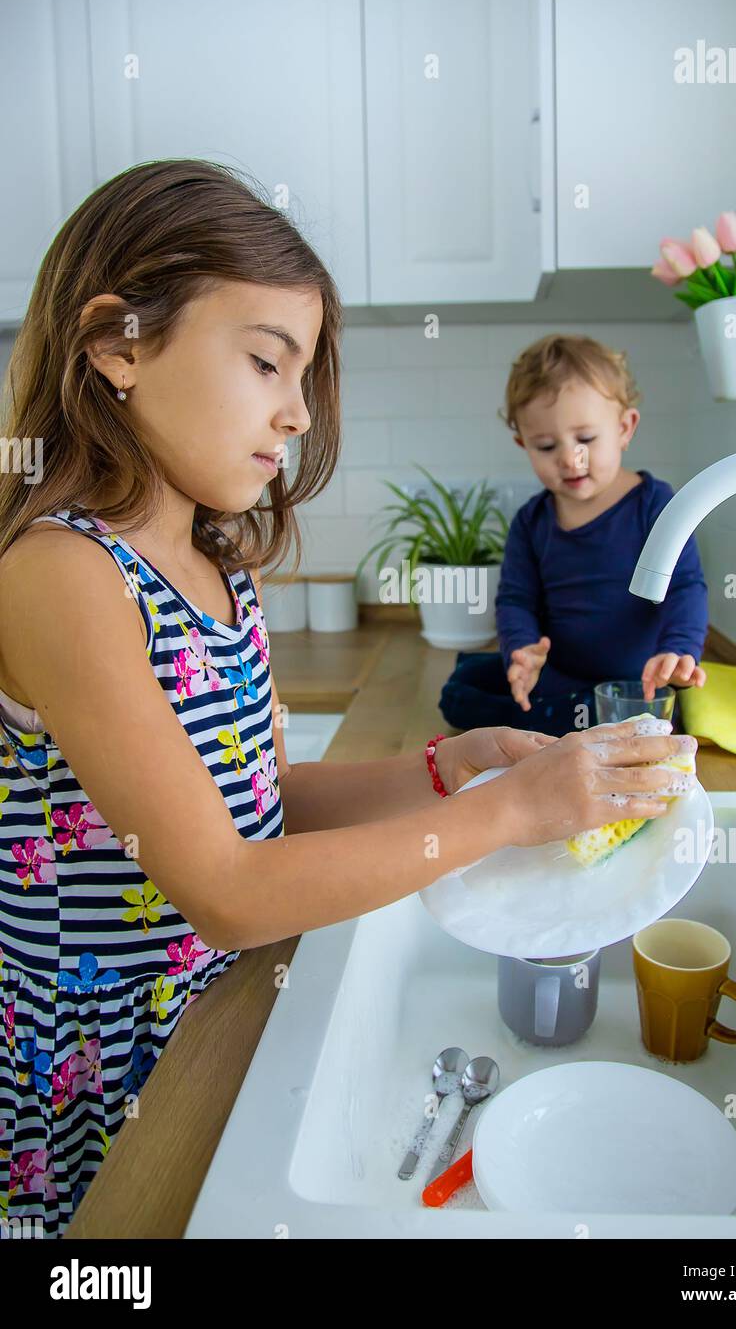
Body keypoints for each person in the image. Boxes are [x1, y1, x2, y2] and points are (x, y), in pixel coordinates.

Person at [0, 161, 696, 1237]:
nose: (292, 412)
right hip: (103, 1067)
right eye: (266, 361)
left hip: (214, 1015)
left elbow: (253, 799)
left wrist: (440, 770)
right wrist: (507, 812)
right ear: (117, 343)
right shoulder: (60, 575)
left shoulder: (217, 563)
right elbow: (225, 885)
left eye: (304, 373)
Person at [439, 334, 709, 738]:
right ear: (524, 444)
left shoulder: (656, 505)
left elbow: (686, 587)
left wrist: (678, 650)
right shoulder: (532, 522)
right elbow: (515, 599)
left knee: (638, 723)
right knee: (460, 698)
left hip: (639, 683)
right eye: (546, 446)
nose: (570, 457)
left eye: (585, 439)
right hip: (560, 680)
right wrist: (522, 650)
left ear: (624, 427)